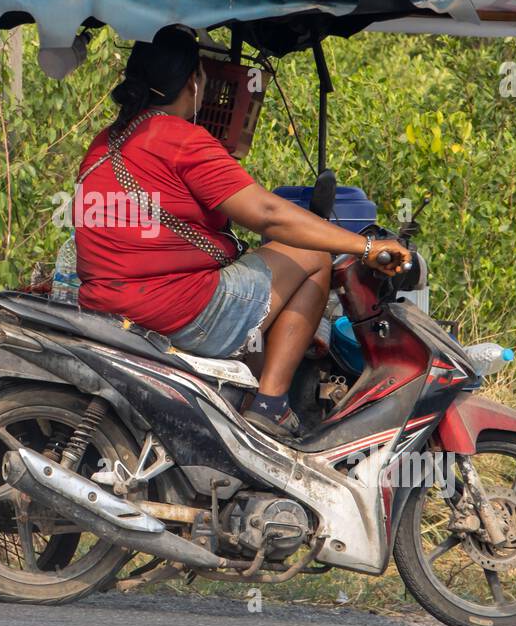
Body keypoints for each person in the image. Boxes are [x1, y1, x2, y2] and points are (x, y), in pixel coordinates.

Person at [74, 26, 410, 440]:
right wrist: (366, 245)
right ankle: (271, 407)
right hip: (174, 311)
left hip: (102, 306)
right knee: (312, 258)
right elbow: (268, 214)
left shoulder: (104, 142)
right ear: (195, 80)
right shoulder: (180, 139)